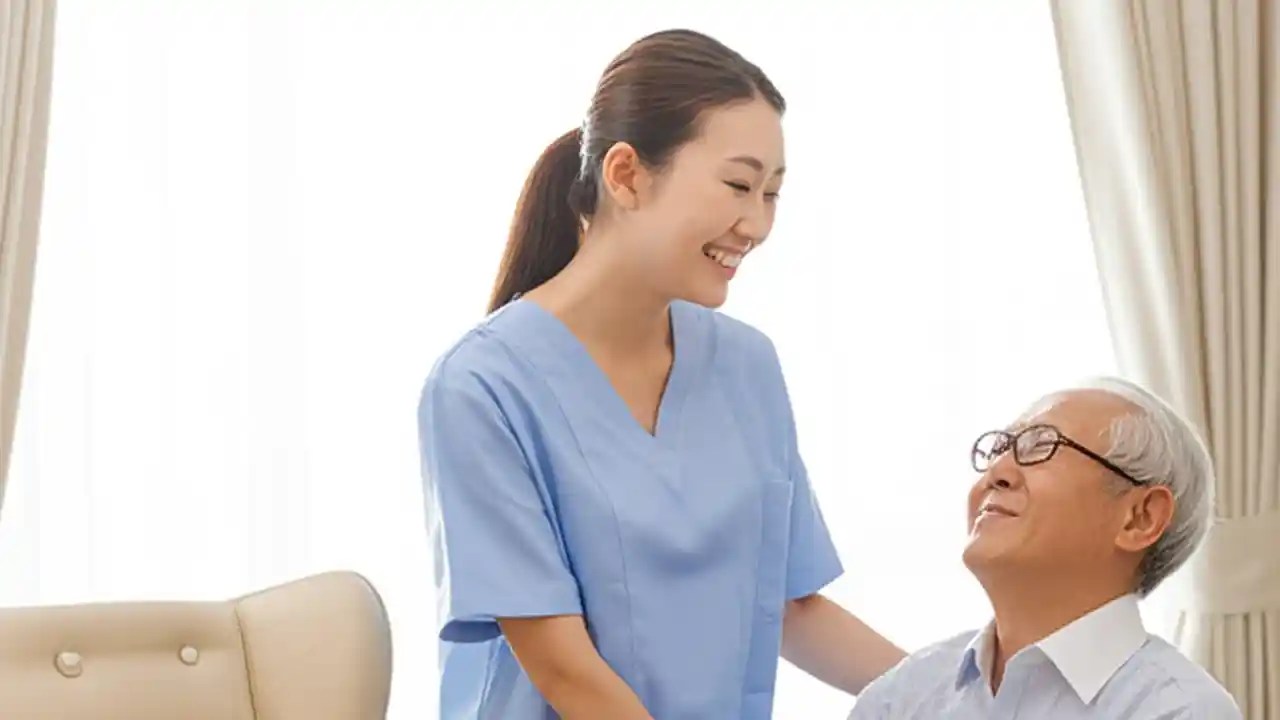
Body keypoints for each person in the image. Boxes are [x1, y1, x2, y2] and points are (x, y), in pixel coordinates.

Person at [417, 28, 904, 720]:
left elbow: (790, 606)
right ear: (626, 176)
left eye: (772, 194)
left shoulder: (746, 365)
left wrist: (958, 695)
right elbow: (563, 664)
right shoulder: (482, 388)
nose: (756, 223)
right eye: (738, 184)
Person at [848, 377, 1241, 719]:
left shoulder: (1180, 711)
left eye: (1041, 446)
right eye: (1000, 447)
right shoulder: (902, 695)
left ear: (1139, 517)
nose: (997, 472)